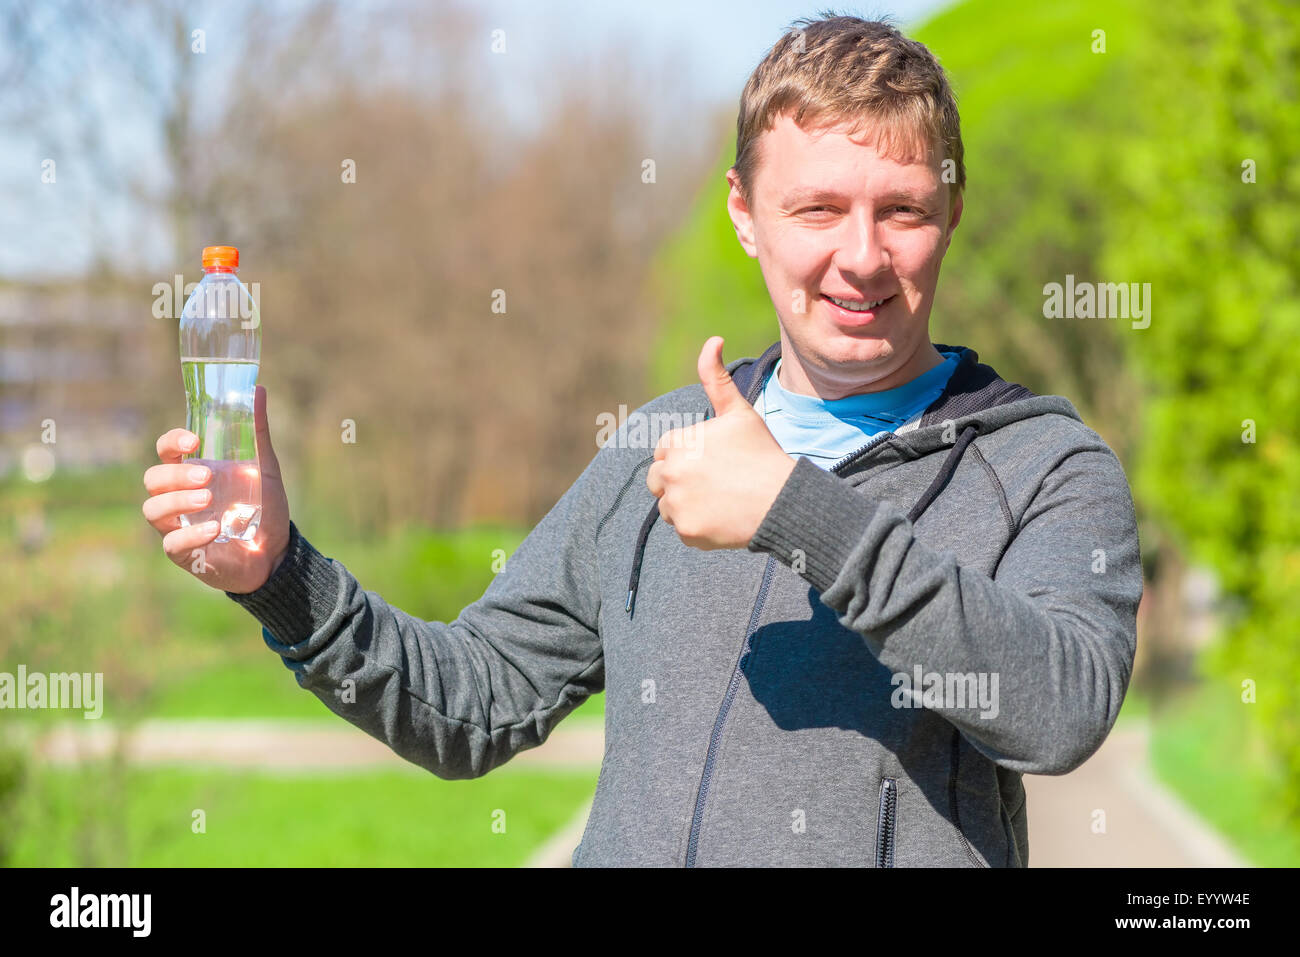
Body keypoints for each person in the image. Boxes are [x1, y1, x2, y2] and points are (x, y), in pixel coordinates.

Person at [141, 14, 1142, 867]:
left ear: (951, 213)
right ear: (744, 216)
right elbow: (475, 702)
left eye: (903, 212)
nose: (861, 256)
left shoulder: (1041, 466)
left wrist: (798, 512)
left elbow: (1062, 711)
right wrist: (278, 576)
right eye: (818, 209)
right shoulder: (662, 443)